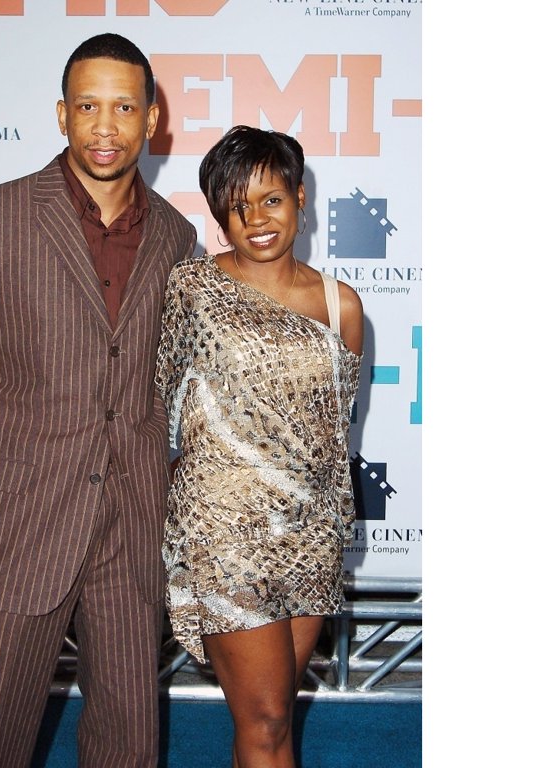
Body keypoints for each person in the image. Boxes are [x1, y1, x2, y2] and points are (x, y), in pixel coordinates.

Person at [0, 32, 197, 768]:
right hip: (16, 523)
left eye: (124, 107)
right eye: (88, 106)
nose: (106, 126)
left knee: (129, 739)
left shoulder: (176, 236)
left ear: (151, 118)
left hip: (131, 526)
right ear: (62, 115)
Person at [154, 125, 364, 767]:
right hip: (224, 527)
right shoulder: (191, 290)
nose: (256, 220)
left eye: (271, 200)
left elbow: (333, 428)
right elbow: (157, 398)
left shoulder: (341, 305)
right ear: (220, 217)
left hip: (309, 531)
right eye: (236, 207)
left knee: (271, 721)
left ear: (300, 197)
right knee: (267, 716)